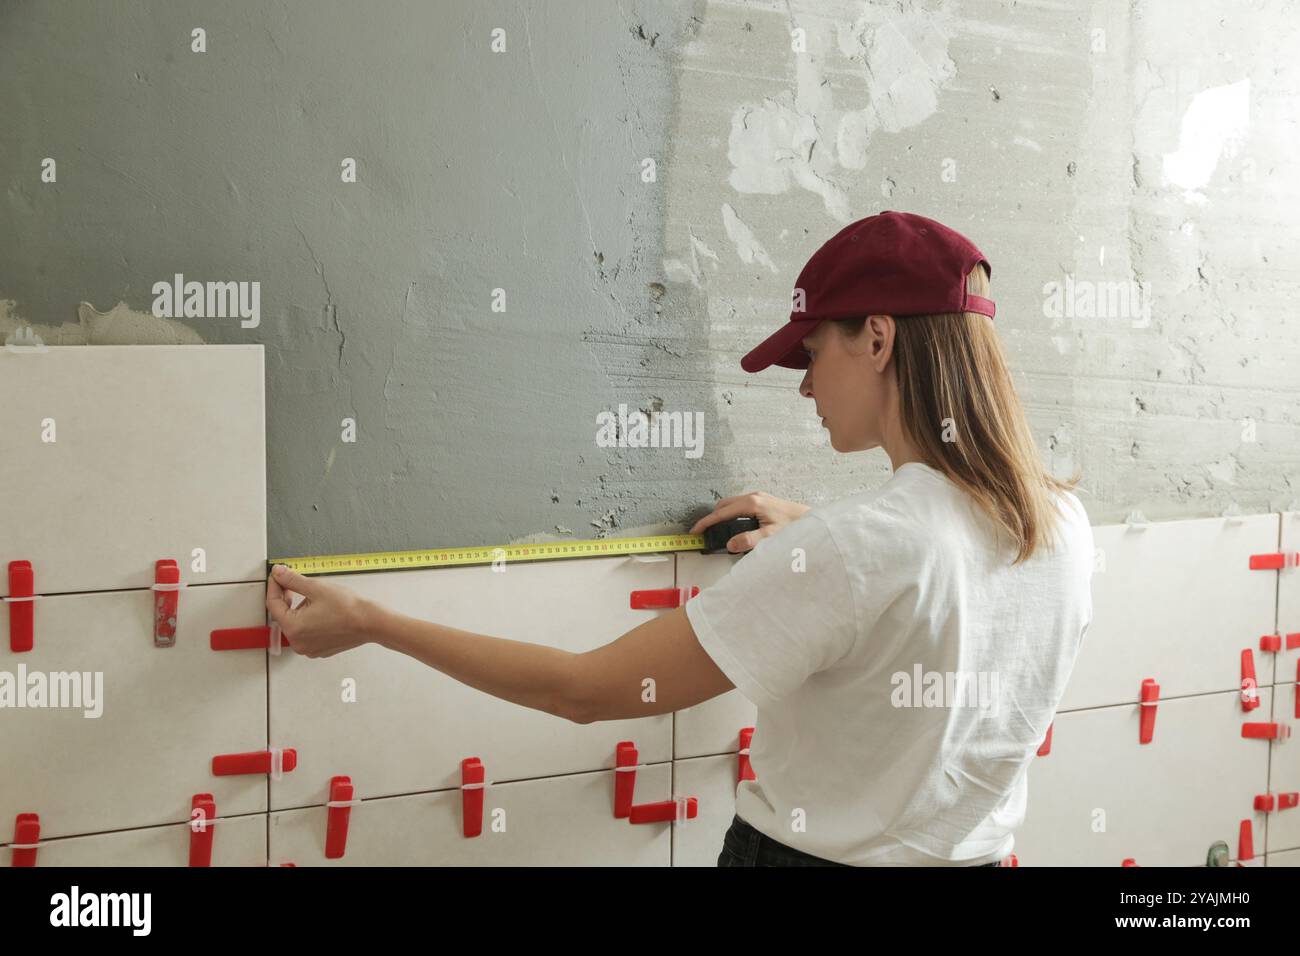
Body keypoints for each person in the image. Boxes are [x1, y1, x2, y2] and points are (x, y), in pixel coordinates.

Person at [266, 210, 1094, 867]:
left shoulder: (859, 551)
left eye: (811, 352)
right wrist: (811, 528)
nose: (806, 385)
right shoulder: (1060, 525)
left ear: (876, 338)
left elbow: (583, 691)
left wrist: (373, 623)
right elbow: (929, 564)